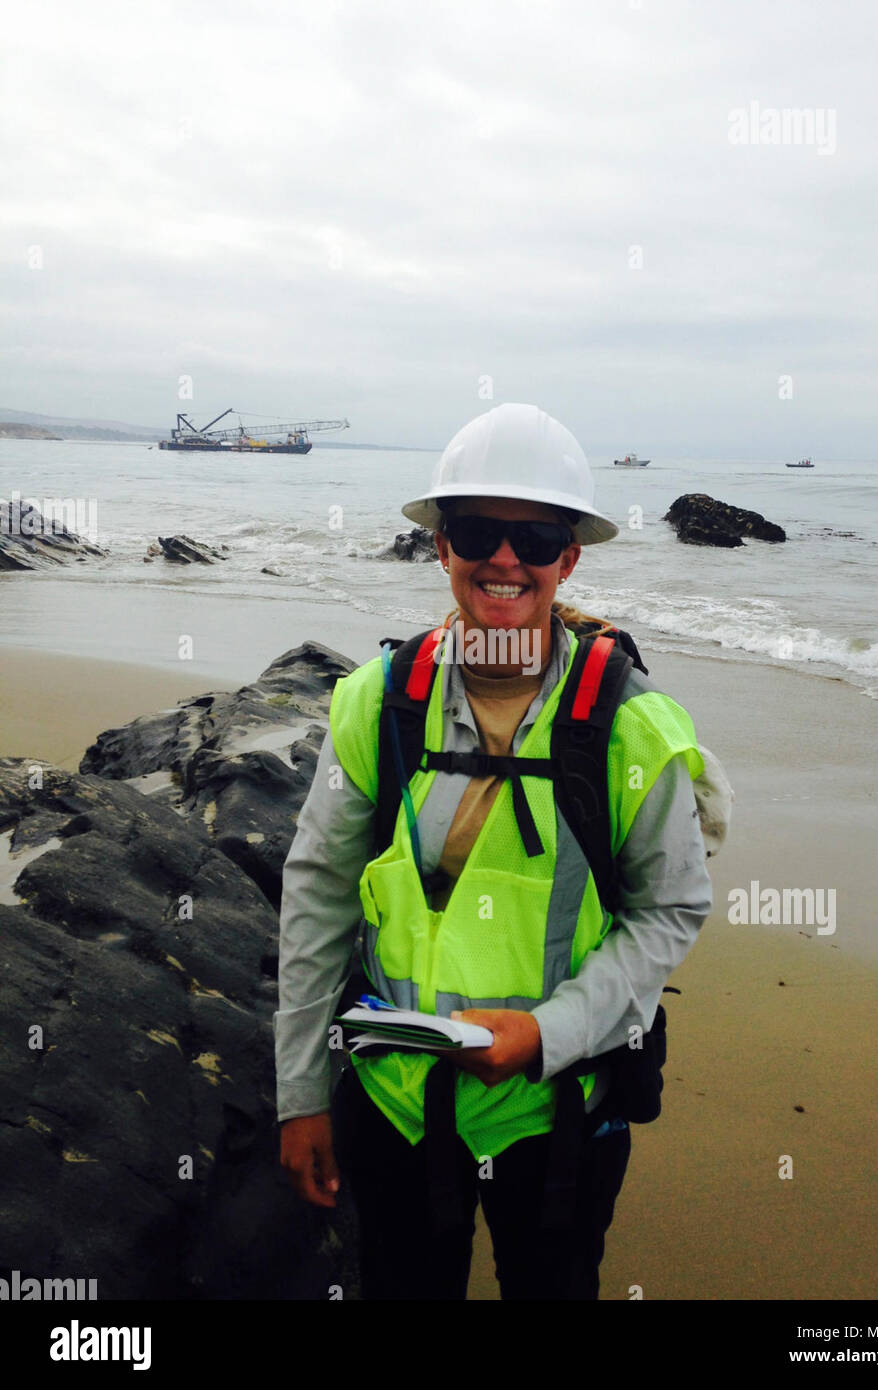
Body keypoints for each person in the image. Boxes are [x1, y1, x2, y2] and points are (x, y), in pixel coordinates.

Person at [275, 402, 714, 1300]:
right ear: (440, 545)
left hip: (559, 1119)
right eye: (477, 530)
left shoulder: (632, 725)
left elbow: (670, 907)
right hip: (397, 1110)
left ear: (571, 556)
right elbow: (318, 891)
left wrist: (546, 1035)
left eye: (538, 536)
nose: (505, 560)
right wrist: (302, 1092)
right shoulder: (375, 702)